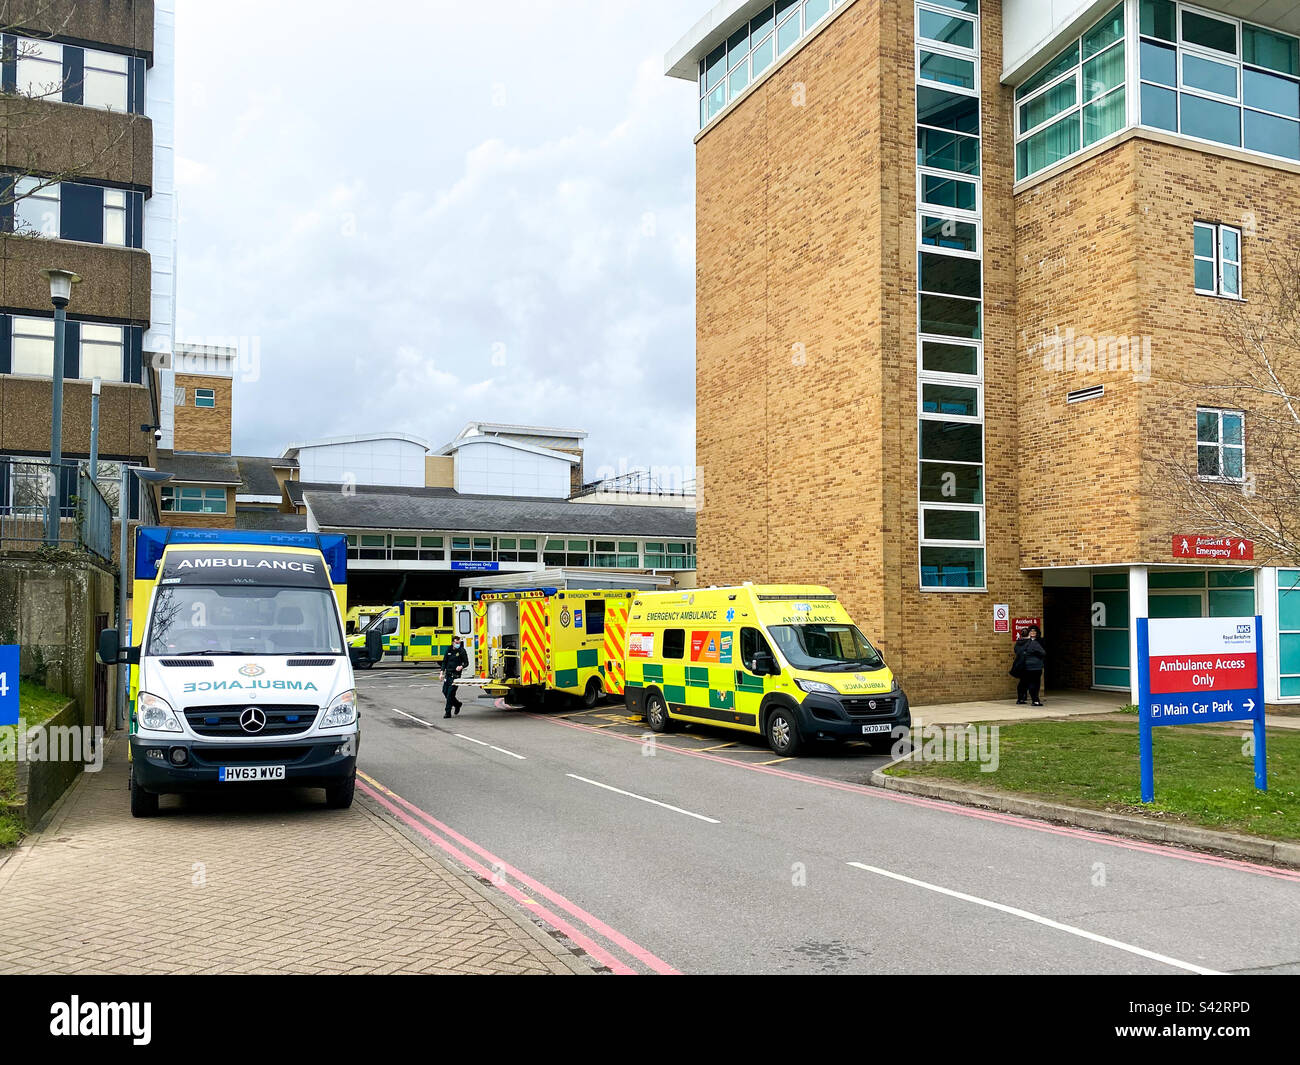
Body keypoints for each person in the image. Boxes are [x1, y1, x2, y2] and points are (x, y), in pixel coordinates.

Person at [1011, 626, 1047, 707]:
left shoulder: (1019, 642)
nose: (1032, 633)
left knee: (1023, 683)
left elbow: (1017, 652)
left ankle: (1021, 698)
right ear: (1029, 634)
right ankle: (1035, 700)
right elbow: (1043, 653)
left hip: (1023, 666)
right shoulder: (1033, 643)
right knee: (1034, 683)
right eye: (1031, 631)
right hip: (1034, 666)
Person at [441, 636, 469, 718]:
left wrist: (461, 666)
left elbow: (466, 662)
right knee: (445, 692)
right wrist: (441, 672)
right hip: (448, 674)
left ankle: (447, 712)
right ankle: (457, 704)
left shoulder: (461, 651)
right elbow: (444, 661)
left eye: (459, 643)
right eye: (456, 643)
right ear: (453, 642)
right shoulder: (449, 649)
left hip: (455, 676)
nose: (458, 644)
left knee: (450, 694)